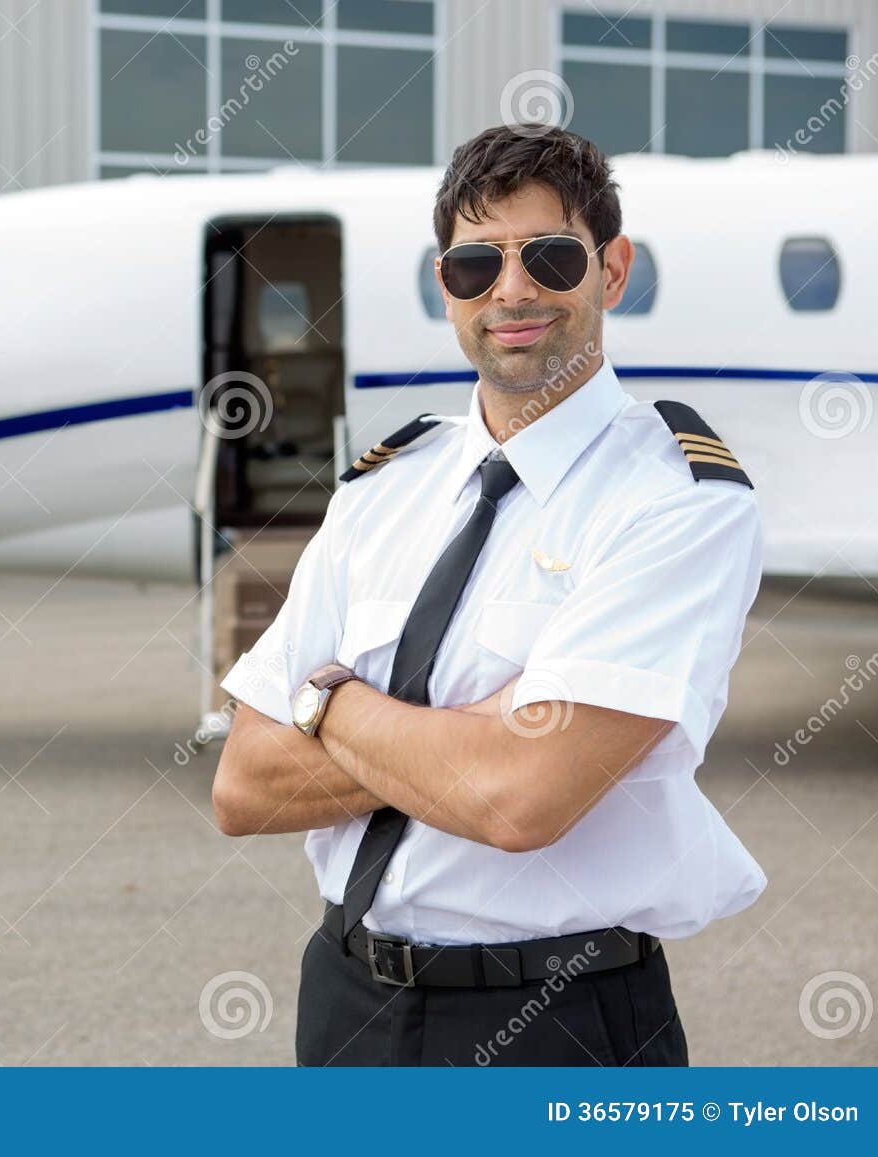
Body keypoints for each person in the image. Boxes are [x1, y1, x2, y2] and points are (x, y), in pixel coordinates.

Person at [212, 123, 764, 1067]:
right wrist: (474, 733)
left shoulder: (679, 500)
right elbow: (242, 788)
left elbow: (521, 798)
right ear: (447, 288)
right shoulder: (381, 488)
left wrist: (325, 700)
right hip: (347, 1002)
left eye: (549, 255)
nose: (511, 290)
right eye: (477, 264)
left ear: (613, 269)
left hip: (561, 1020)